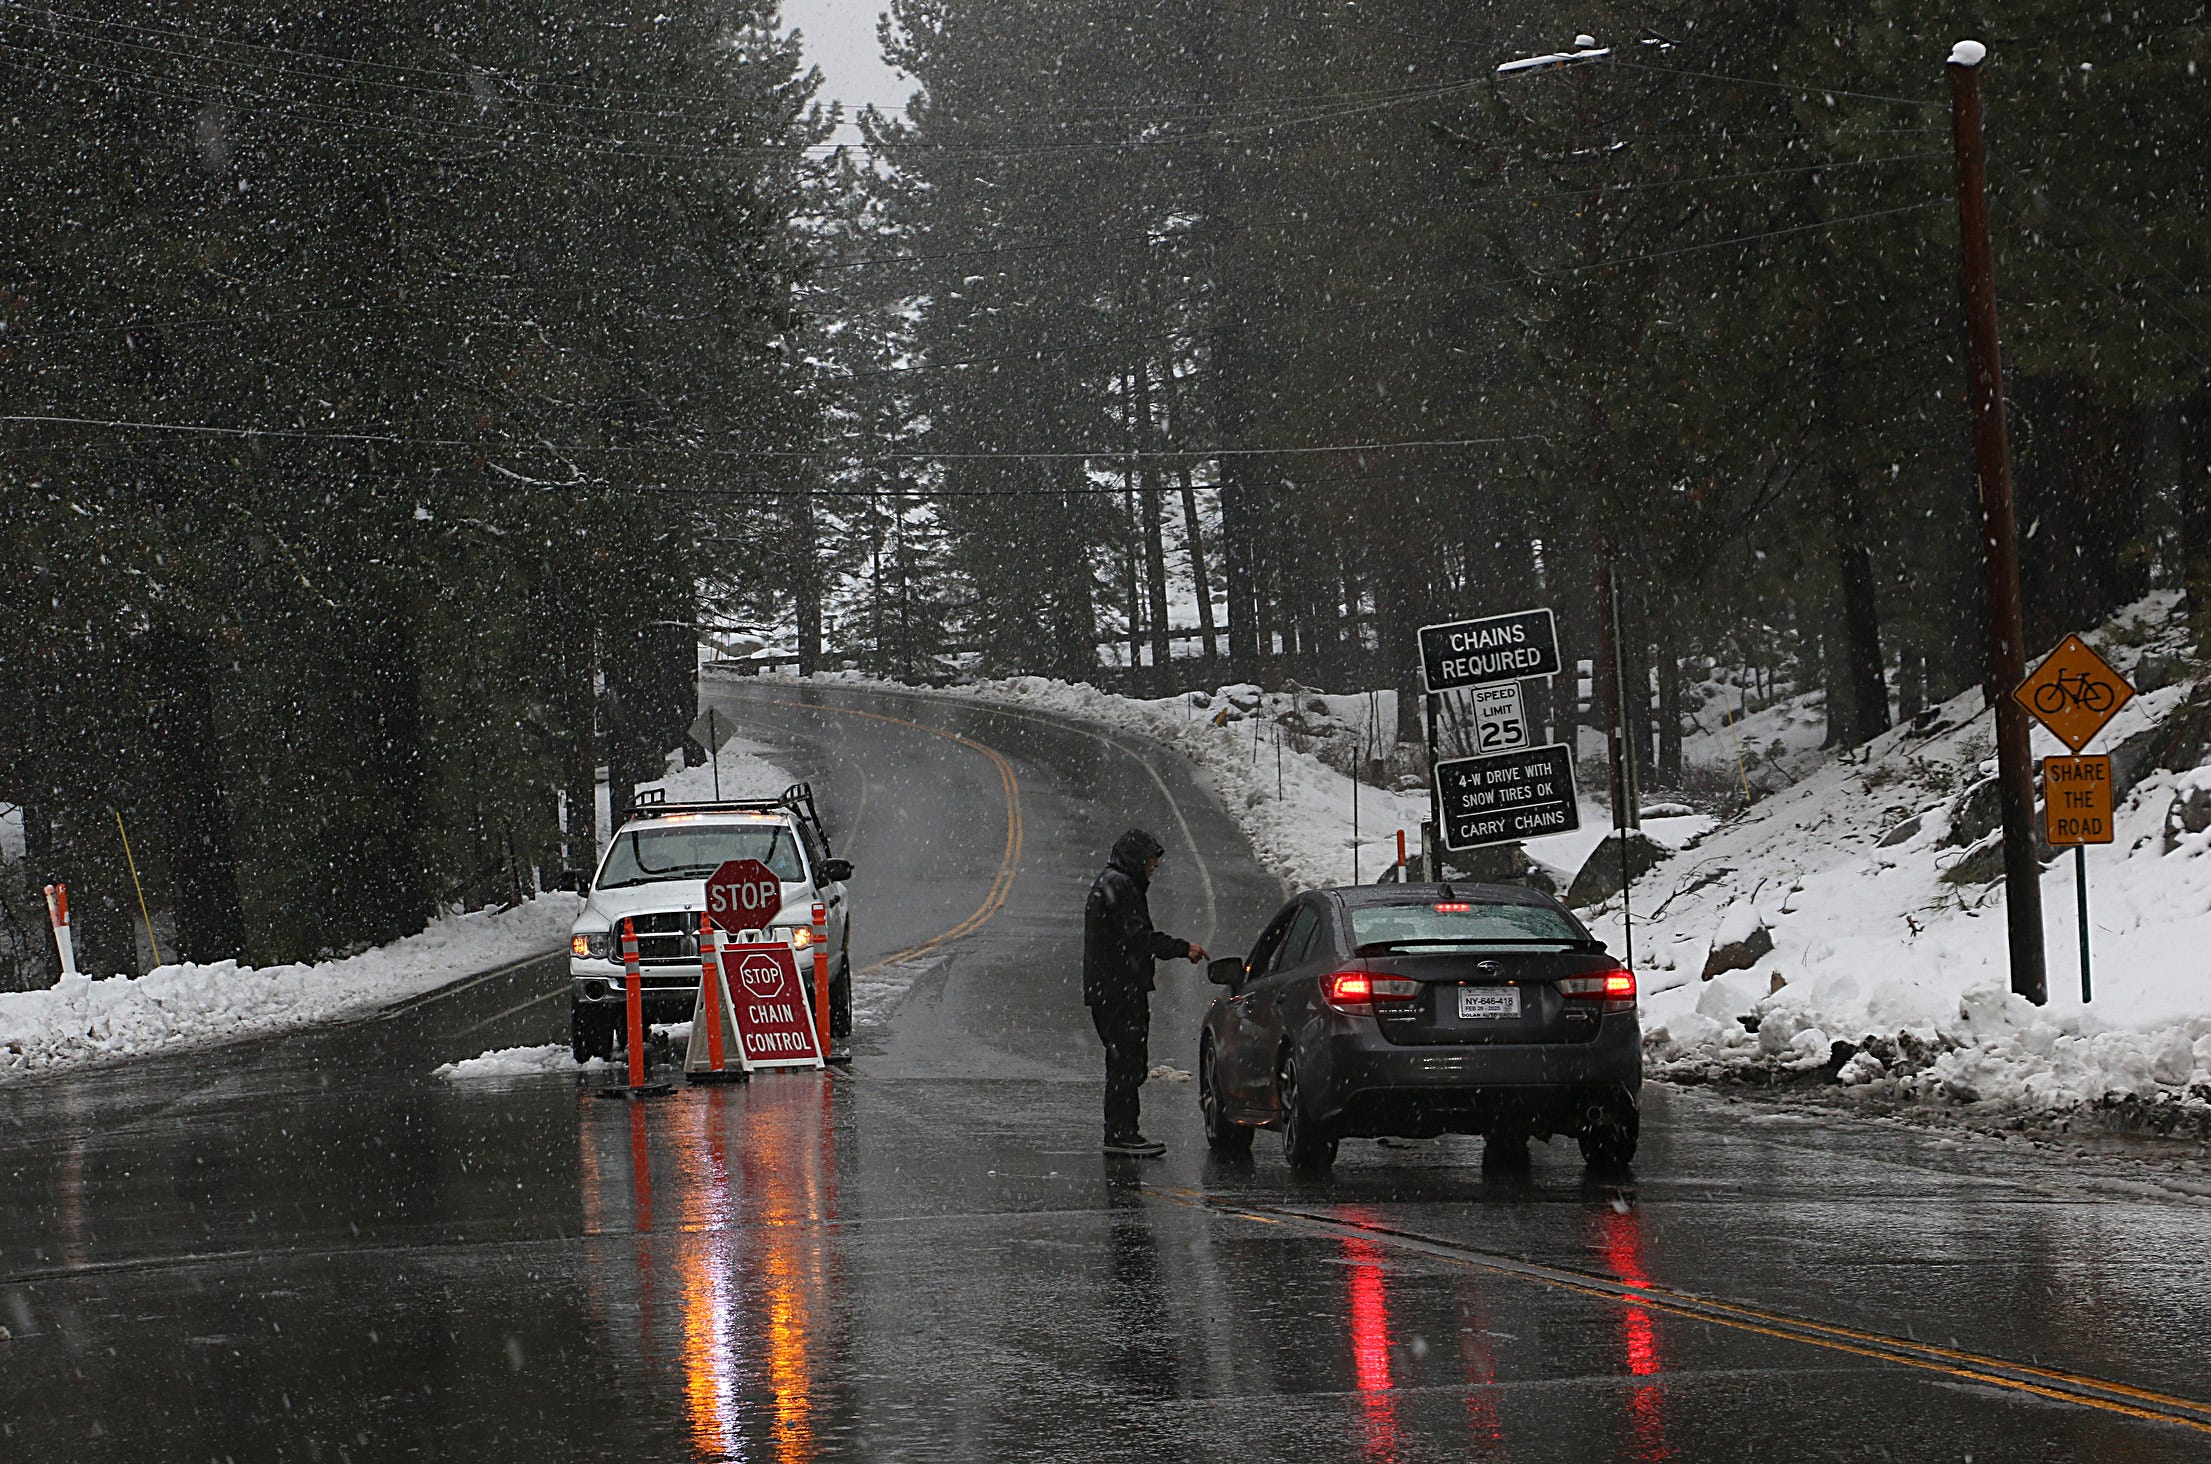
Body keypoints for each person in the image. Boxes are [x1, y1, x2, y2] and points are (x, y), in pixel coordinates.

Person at [1083, 828, 1205, 1156]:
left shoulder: (1113, 883)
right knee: (1127, 1062)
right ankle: (1122, 1134)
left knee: (1123, 1060)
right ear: (1137, 859)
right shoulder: (1121, 887)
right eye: (1151, 860)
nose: (1154, 867)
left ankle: (1120, 1132)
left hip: (1110, 989)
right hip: (1119, 991)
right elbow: (1139, 937)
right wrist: (1183, 948)